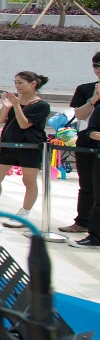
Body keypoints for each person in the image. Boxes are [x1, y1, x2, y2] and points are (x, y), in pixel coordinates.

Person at [0, 71, 50, 226]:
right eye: (16, 82)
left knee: (28, 180)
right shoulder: (14, 101)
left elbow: (24, 124)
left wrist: (17, 105)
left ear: (33, 84)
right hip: (8, 144)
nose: (17, 86)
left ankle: (24, 212)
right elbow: (0, 120)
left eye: (21, 83)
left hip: (30, 146)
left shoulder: (42, 105)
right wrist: (6, 107)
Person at [66, 53, 100, 244]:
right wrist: (93, 100)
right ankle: (82, 221)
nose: (99, 69)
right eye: (96, 65)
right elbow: (78, 114)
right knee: (87, 184)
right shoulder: (85, 89)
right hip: (88, 138)